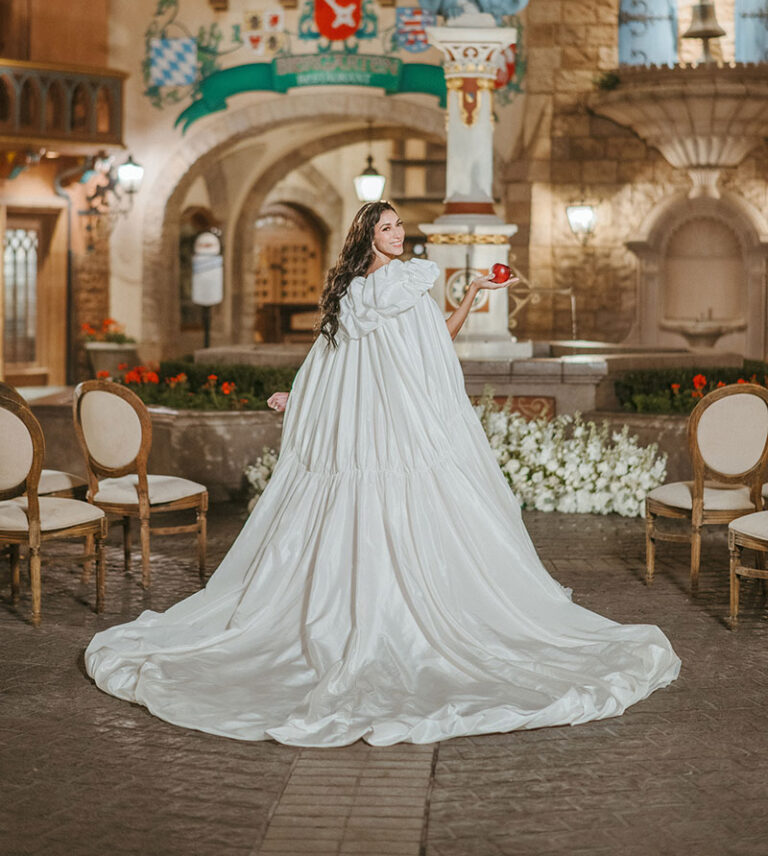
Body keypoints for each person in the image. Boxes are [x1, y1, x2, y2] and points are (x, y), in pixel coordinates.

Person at [85, 201, 679, 746]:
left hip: (404, 420)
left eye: (399, 227)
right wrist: (301, 397)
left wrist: (471, 293)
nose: (398, 235)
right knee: (358, 503)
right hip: (370, 424)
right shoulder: (362, 292)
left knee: (418, 504)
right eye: (388, 228)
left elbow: (436, 344)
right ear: (368, 236)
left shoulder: (405, 283)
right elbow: (330, 359)